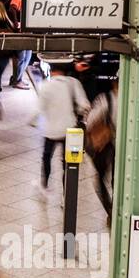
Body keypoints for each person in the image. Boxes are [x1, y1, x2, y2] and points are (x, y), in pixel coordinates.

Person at [34, 62, 90, 199]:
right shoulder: (73, 83)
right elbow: (85, 105)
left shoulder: (46, 86)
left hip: (50, 131)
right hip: (69, 130)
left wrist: (32, 122)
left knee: (47, 157)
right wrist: (78, 111)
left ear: (51, 71)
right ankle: (66, 197)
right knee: (68, 164)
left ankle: (44, 186)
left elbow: (38, 109)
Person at [86, 87, 117, 224]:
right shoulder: (136, 99)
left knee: (99, 180)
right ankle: (119, 209)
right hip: (126, 149)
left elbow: (91, 119)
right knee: (118, 181)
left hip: (107, 145)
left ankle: (110, 210)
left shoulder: (106, 99)